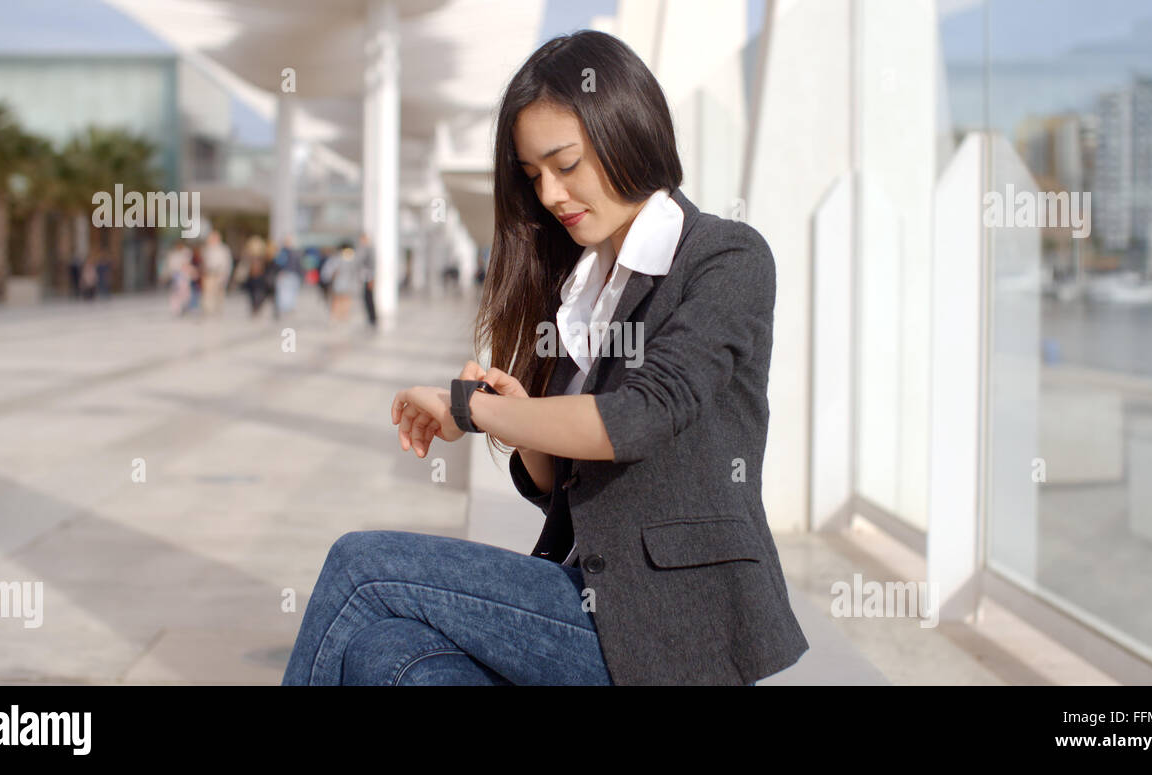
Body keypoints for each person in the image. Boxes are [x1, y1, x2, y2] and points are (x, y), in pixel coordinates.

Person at [282, 30, 808, 686]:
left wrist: (468, 410)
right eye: (534, 177)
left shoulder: (725, 256)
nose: (552, 194)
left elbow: (641, 416)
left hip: (671, 622)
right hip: (582, 595)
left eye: (566, 164)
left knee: (361, 566)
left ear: (626, 128)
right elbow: (564, 487)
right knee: (385, 655)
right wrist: (519, 415)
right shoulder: (582, 290)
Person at [320, 246, 359, 324]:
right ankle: (341, 315)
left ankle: (340, 315)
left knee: (341, 299)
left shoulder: (337, 259)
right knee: (341, 299)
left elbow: (328, 272)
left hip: (343, 283)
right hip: (343, 283)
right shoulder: (339, 260)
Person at [200, 230, 232, 316]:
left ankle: (218, 311)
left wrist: (225, 275)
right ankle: (208, 311)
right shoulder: (207, 249)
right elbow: (203, 262)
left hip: (220, 274)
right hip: (209, 274)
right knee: (208, 294)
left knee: (219, 294)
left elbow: (227, 263)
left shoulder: (223, 249)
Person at [272, 236, 302, 319]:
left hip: (290, 275)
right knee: (286, 293)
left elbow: (277, 264)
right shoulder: (287, 252)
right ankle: (286, 309)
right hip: (287, 275)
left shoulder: (282, 252)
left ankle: (287, 309)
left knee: (286, 293)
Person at [163, 241, 193, 315]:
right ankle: (176, 309)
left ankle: (184, 307)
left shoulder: (186, 252)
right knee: (175, 293)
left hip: (184, 276)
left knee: (184, 293)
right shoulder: (173, 254)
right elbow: (170, 266)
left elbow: (187, 264)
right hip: (175, 276)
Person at [355, 233, 377, 325]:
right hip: (364, 277)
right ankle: (370, 318)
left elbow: (371, 265)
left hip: (368, 277)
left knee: (369, 298)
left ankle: (373, 318)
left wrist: (371, 279)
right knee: (365, 298)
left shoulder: (369, 250)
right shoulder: (362, 249)